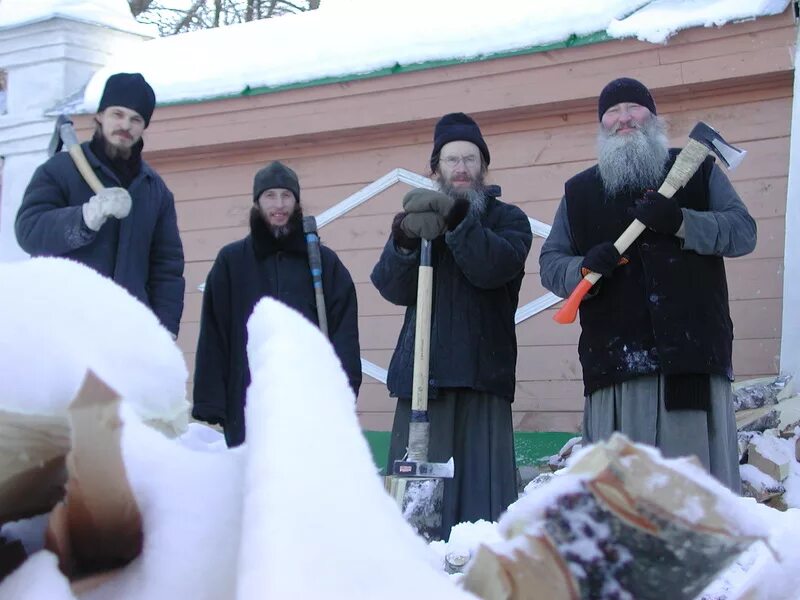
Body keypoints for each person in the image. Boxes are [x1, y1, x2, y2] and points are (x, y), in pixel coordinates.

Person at [539, 77, 757, 492]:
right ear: (602, 125)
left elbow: (743, 232)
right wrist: (584, 269)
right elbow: (551, 264)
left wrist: (682, 222)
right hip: (615, 366)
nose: (624, 119)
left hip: (692, 360)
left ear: (653, 118)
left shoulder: (696, 171)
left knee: (695, 494)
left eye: (633, 108)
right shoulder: (579, 192)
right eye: (613, 112)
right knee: (622, 498)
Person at [371, 112, 533, 537]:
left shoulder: (509, 220)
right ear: (435, 168)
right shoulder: (421, 222)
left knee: (480, 504)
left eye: (470, 159)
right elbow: (390, 286)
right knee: (415, 511)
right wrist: (405, 241)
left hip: (482, 376)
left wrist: (459, 222)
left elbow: (492, 268)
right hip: (423, 377)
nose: (461, 168)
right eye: (451, 160)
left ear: (484, 167)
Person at [192, 161, 362, 447]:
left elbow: (344, 333)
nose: (279, 205)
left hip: (308, 401)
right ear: (257, 203)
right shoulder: (232, 262)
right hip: (246, 399)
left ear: (297, 203)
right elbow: (214, 334)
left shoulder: (323, 263)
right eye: (270, 196)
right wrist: (212, 402)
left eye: (287, 196)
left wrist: (341, 392)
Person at [15, 72, 184, 337]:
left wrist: (164, 328)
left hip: (127, 330)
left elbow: (166, 267)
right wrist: (83, 219)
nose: (125, 125)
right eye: (117, 114)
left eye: (135, 119)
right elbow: (29, 232)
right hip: (64, 327)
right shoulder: (60, 171)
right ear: (100, 116)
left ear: (143, 127)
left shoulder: (155, 190)